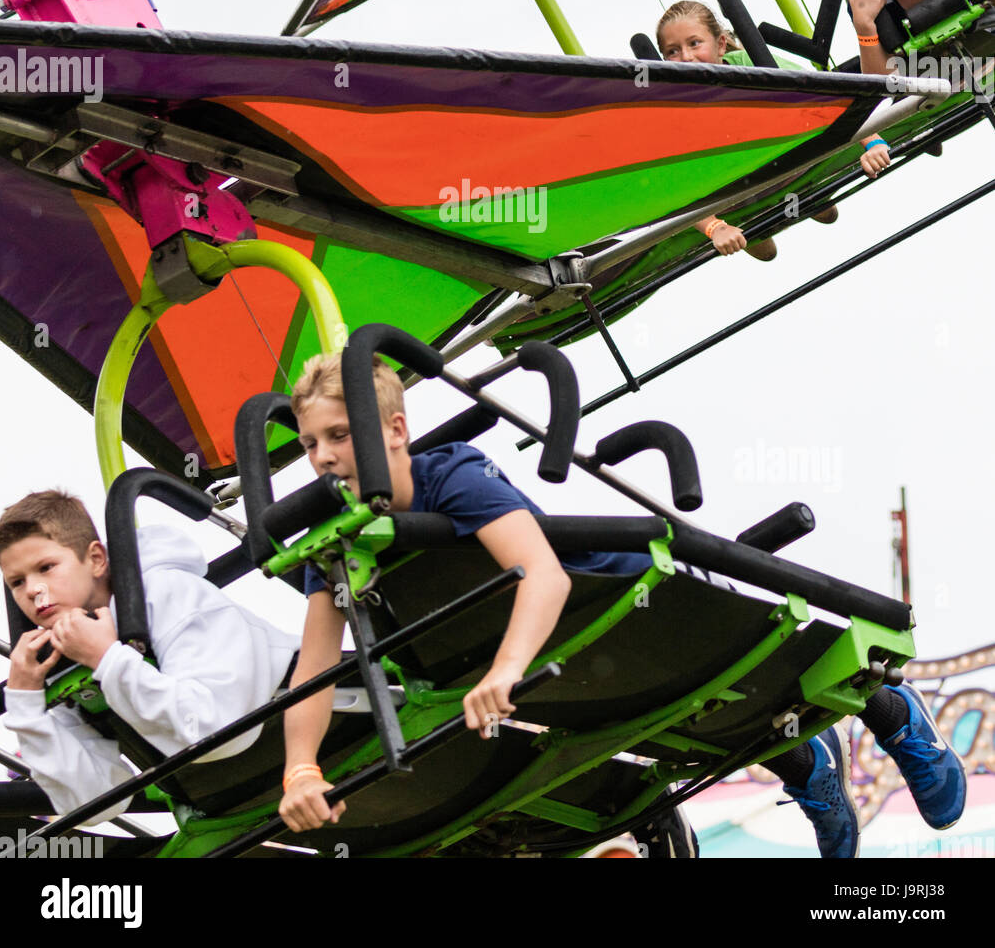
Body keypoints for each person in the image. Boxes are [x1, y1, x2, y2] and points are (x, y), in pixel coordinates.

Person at [278, 351, 967, 858]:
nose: (322, 458)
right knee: (653, 715)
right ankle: (808, 765)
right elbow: (314, 665)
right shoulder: (336, 543)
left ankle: (888, 708)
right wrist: (301, 768)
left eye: (339, 436)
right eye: (310, 443)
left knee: (722, 673)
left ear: (394, 430)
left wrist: (505, 668)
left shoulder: (450, 476)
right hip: (549, 652)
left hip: (621, 598)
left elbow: (542, 576)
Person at [0, 490, 297, 823]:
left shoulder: (167, 591)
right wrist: (25, 707)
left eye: (46, 567)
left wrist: (108, 659)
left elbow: (217, 732)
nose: (33, 589)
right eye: (17, 582)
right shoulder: (64, 659)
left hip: (310, 717)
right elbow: (97, 803)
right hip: (232, 790)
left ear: (95, 559)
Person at [657, 0, 891, 263]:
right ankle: (761, 225)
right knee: (766, 252)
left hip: (788, 160)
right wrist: (715, 227)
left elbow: (822, 97)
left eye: (694, 43)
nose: (686, 58)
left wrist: (872, 141)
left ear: (721, 44)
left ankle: (807, 199)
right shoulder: (670, 106)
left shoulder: (748, 62)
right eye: (673, 51)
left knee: (828, 213)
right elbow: (674, 181)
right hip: (738, 188)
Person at [847, 0, 995, 175]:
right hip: (924, 69)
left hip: (983, 37)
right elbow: (883, 81)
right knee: (863, 112)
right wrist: (864, 26)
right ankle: (917, 135)